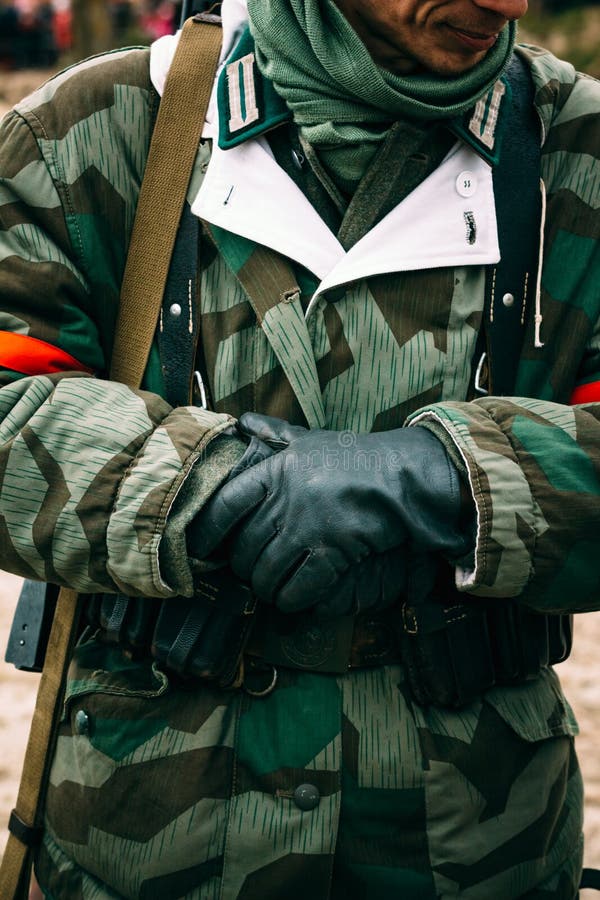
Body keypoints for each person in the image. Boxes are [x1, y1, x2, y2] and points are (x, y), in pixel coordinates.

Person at [0, 0, 598, 897]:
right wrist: (203, 486)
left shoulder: (574, 153)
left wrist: (455, 478)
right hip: (142, 846)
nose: (509, 4)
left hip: (479, 852)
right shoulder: (97, 133)